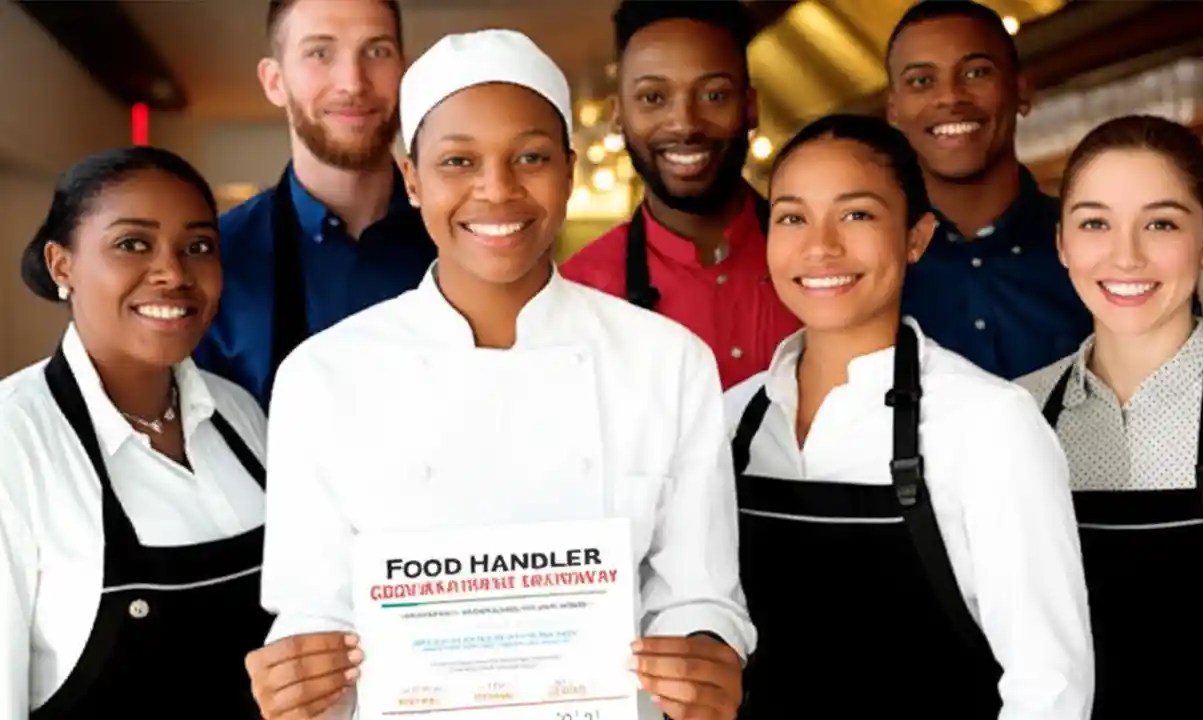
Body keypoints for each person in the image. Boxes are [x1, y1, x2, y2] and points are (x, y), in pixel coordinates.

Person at [241, 29, 754, 720]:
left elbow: (700, 593)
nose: (497, 190)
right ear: (413, 180)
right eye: (458, 161)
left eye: (531, 157)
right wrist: (299, 680)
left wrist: (706, 652)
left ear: (570, 171)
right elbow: (312, 611)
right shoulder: (324, 377)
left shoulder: (667, 361)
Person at [725, 114, 1094, 718]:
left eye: (857, 214)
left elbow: (1049, 688)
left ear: (917, 237)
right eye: (792, 216)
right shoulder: (728, 424)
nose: (820, 245)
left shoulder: (989, 425)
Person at [1018, 115, 1203, 718]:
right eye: (1094, 223)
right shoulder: (1014, 420)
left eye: (1160, 223)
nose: (1126, 255)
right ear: (1061, 243)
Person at [0, 147, 270, 718]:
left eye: (198, 247)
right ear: (61, 265)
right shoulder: (14, 441)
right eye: (132, 244)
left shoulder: (241, 416)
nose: (173, 273)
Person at [194, 0, 434, 410]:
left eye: (376, 51)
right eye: (319, 53)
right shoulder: (216, 262)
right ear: (275, 81)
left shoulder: (460, 244)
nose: (353, 83)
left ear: (405, 74)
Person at [561, 0, 801, 390]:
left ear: (751, 106)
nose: (685, 124)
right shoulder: (579, 294)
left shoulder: (825, 265)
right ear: (618, 114)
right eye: (653, 98)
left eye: (713, 95)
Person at [885, 1, 1091, 379]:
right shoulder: (873, 266)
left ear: (1020, 91)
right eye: (921, 81)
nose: (950, 97)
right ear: (893, 110)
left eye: (976, 72)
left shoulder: (1098, 249)